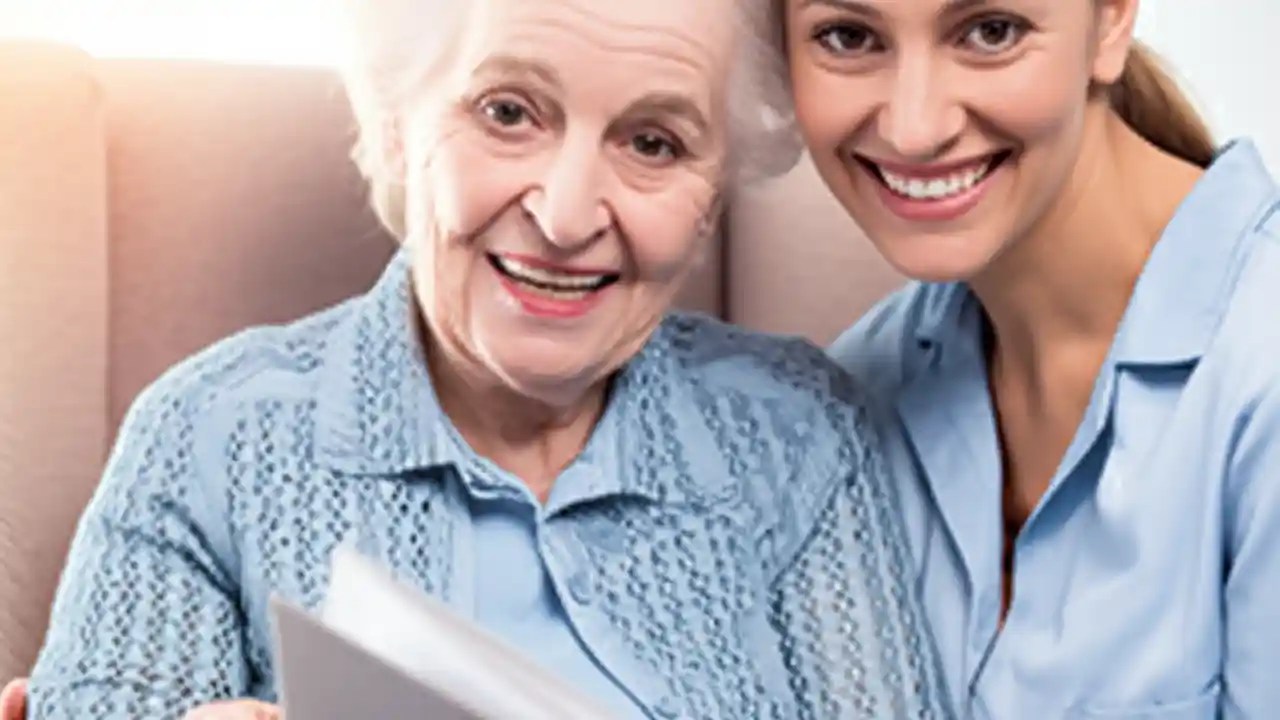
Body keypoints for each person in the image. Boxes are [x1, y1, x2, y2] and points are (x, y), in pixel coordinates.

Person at [15, 0, 951, 718]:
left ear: (711, 202)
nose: (567, 215)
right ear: (395, 125)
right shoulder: (210, 434)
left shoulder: (800, 434)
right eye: (509, 112)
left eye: (653, 142)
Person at [775, 0, 1280, 716]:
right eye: (849, 37)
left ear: (1110, 20)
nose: (913, 128)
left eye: (991, 31)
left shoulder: (1261, 370)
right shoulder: (854, 396)